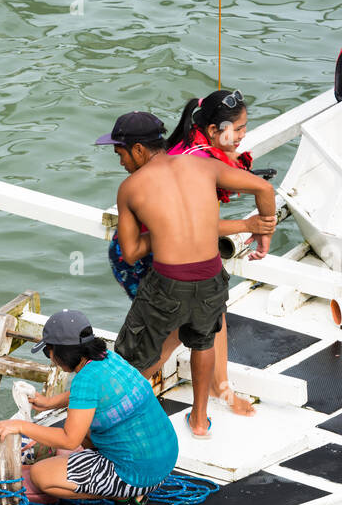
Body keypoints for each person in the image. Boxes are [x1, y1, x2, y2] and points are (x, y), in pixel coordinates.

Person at [108, 111, 277, 439]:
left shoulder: (130, 188)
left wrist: (162, 230)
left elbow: (130, 252)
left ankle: (119, 420)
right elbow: (263, 188)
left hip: (168, 282)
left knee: (133, 354)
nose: (121, 163)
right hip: (212, 277)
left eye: (121, 154)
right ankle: (200, 420)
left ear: (140, 150)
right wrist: (264, 228)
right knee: (202, 342)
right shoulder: (205, 166)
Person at [0, 309, 178, 505]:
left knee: (41, 475)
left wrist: (20, 426)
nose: (50, 358)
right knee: (78, 423)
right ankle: (122, 483)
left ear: (61, 352)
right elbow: (89, 396)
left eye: (48, 352)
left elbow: (70, 439)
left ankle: (125, 497)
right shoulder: (108, 358)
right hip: (164, 460)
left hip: (139, 475)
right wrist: (50, 402)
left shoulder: (85, 380)